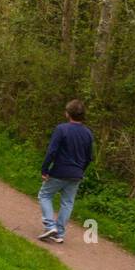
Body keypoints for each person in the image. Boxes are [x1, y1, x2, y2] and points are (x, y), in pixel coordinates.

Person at [37, 99, 93, 244]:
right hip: (76, 174)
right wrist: (81, 170)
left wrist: (45, 169)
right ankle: (59, 233)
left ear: (67, 114)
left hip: (59, 171)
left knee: (45, 195)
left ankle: (50, 226)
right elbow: (89, 157)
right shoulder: (88, 133)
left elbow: (52, 151)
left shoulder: (62, 129)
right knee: (67, 203)